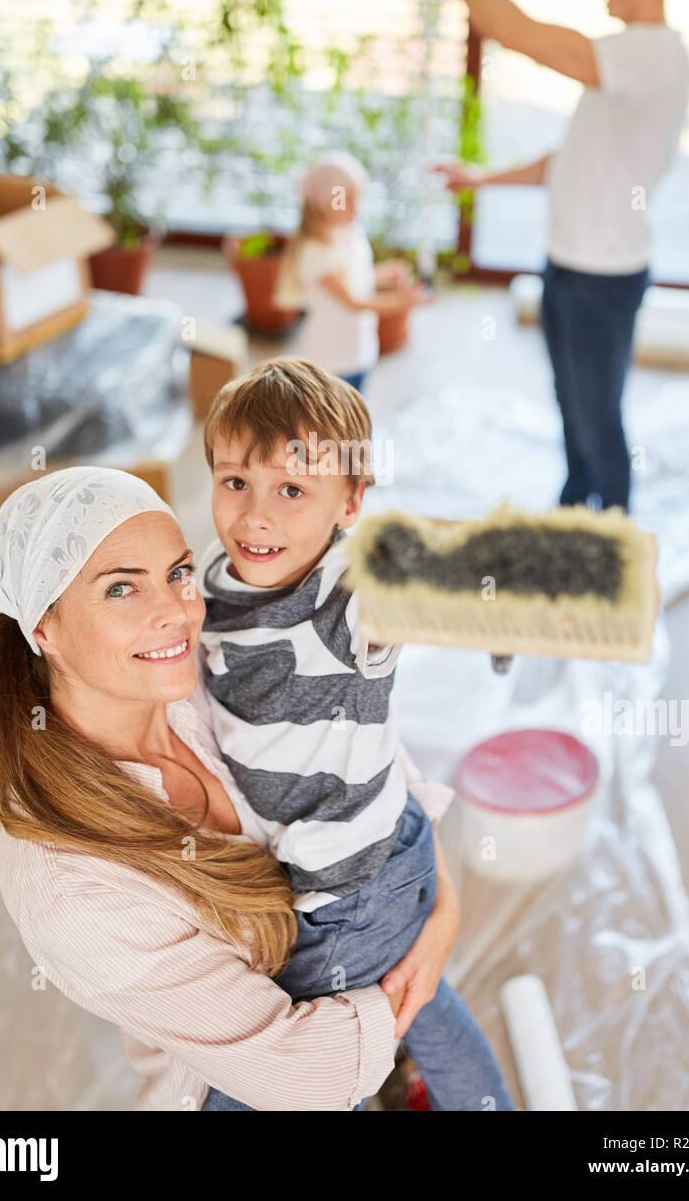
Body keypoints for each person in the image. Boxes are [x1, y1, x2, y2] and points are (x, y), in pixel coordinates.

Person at [0, 466, 468, 1111]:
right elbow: (298, 1075)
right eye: (122, 588)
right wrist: (421, 960)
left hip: (354, 957)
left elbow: (354, 750)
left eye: (179, 572)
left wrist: (439, 906)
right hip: (247, 1083)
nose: (175, 614)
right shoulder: (65, 885)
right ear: (42, 628)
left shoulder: (209, 661)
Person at [195, 356, 514, 1111]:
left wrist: (499, 603)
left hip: (348, 882)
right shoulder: (220, 578)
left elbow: (424, 580)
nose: (256, 516)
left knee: (295, 1051)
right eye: (236, 481)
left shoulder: (348, 600)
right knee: (414, 998)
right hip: (366, 843)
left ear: (350, 504)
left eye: (293, 491)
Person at [417, 0, 689, 512]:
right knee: (573, 407)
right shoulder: (623, 62)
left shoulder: (650, 57)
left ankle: (617, 542)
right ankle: (574, 508)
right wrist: (482, 181)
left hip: (603, 279)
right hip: (569, 266)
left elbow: (513, 32)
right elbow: (569, 161)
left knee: (598, 419)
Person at [274, 151, 426, 393]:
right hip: (333, 361)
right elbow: (352, 301)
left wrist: (386, 273)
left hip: (360, 350)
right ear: (323, 202)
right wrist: (403, 301)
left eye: (358, 198)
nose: (357, 207)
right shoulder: (315, 251)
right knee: (336, 427)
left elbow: (356, 276)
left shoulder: (349, 233)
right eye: (348, 200)